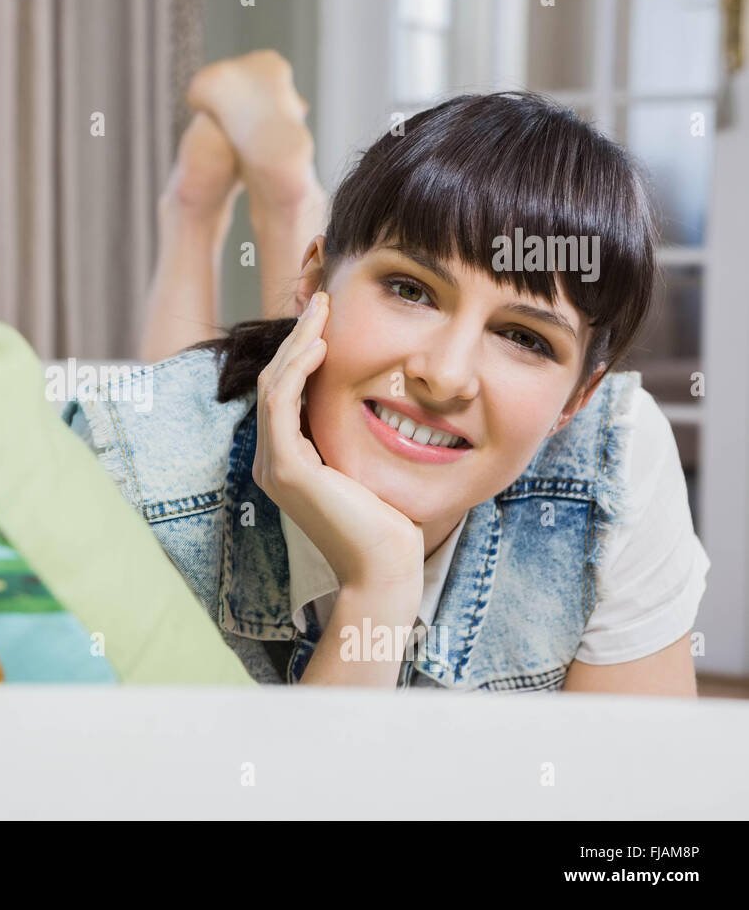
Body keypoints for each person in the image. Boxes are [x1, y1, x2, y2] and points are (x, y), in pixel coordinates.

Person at [63, 50, 708, 694]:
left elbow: (625, 791)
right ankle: (200, 212)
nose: (446, 376)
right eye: (412, 289)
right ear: (313, 280)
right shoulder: (133, 465)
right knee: (182, 414)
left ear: (579, 398)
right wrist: (377, 593)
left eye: (522, 337)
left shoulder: (613, 464)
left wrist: (381, 575)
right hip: (194, 420)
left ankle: (282, 202)